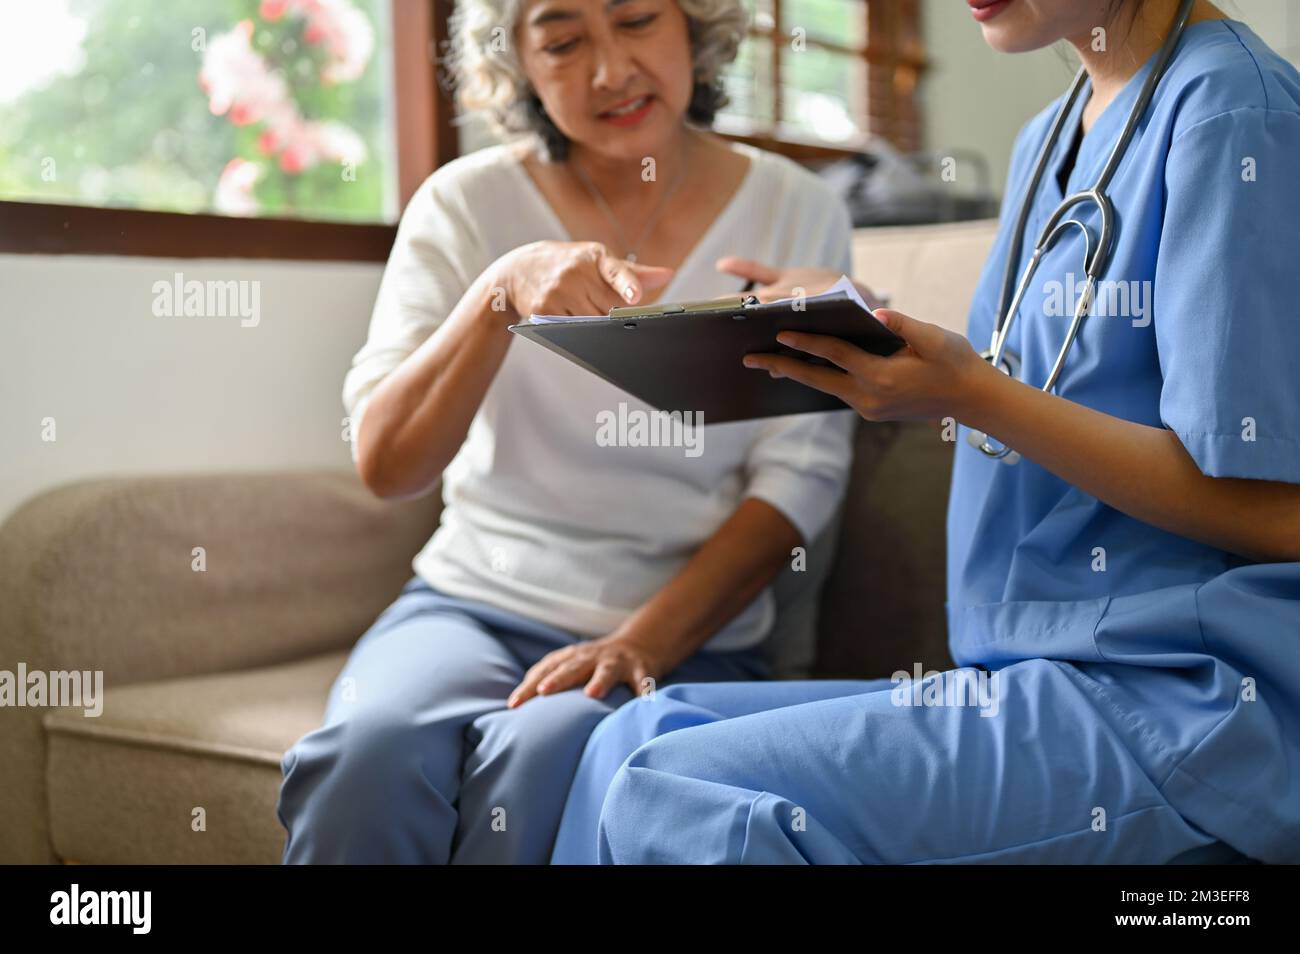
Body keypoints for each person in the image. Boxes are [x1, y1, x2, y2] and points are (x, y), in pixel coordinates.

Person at [551, 0, 1300, 864]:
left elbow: (1276, 510)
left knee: (670, 790)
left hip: (1188, 705)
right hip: (1028, 671)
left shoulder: (1236, 114)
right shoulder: (1050, 138)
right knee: (623, 740)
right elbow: (1050, 370)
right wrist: (868, 322)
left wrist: (968, 394)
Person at [275, 0, 858, 864]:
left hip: (684, 636)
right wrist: (498, 297)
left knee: (542, 755)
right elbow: (388, 464)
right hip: (472, 604)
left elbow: (797, 485)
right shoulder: (465, 203)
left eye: (636, 21)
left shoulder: (795, 207)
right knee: (368, 750)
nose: (610, 71)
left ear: (694, 27)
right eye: (562, 41)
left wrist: (638, 645)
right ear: (516, 63)